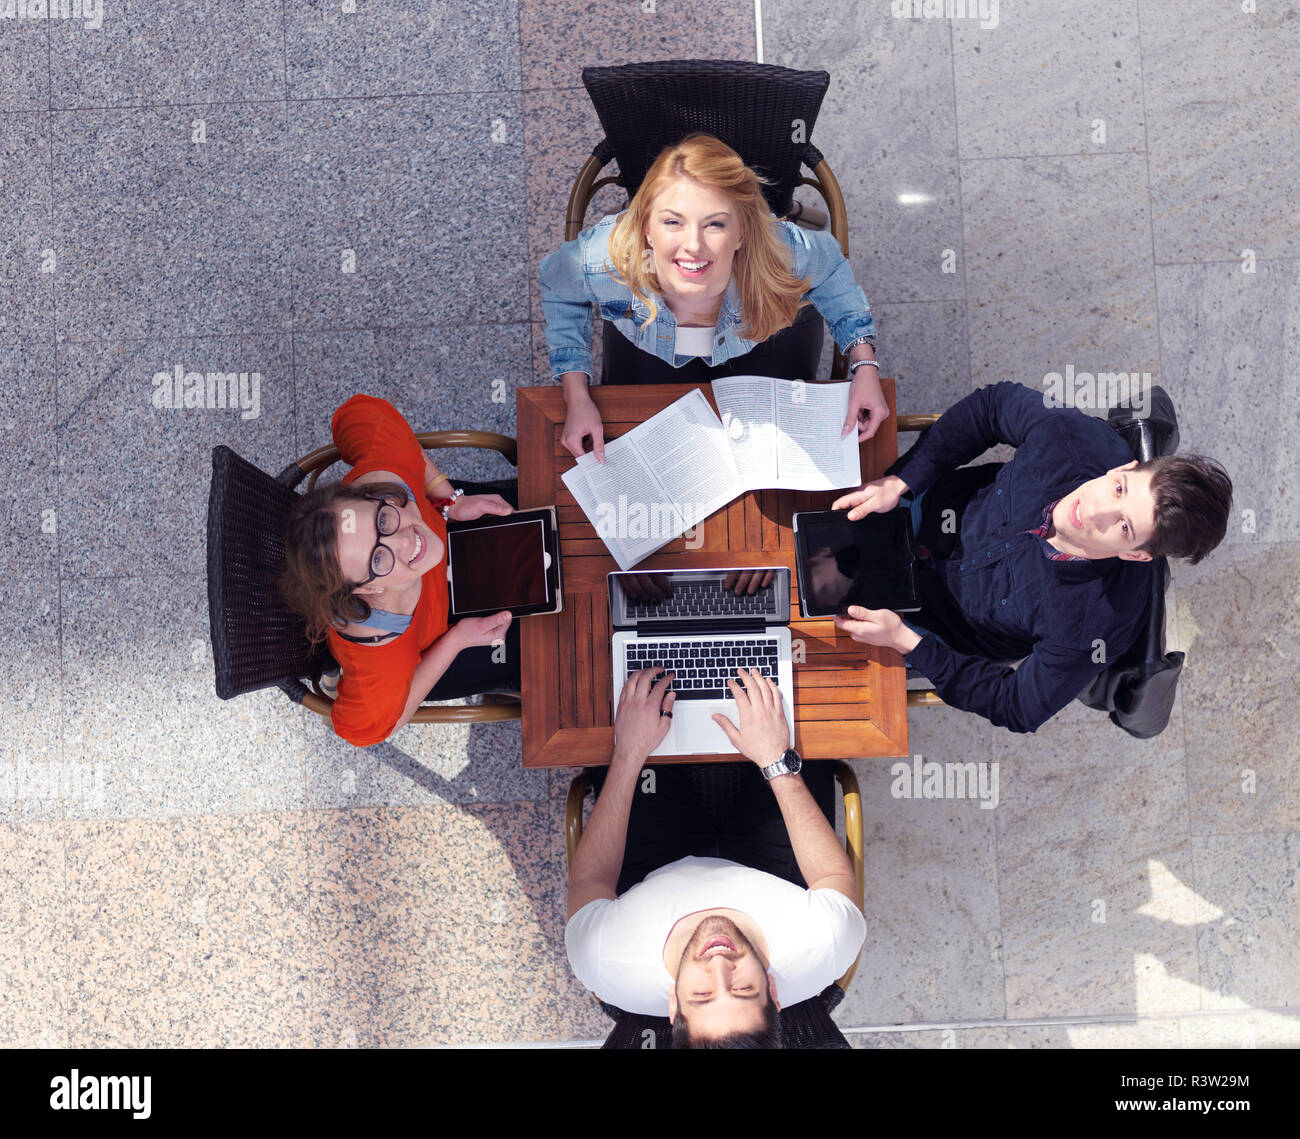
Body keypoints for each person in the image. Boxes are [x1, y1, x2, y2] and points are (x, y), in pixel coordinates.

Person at [829, 381, 1233, 734]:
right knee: (796, 532)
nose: (1093, 511)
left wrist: (907, 642)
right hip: (913, 512)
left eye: (1124, 526)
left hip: (927, 627)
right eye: (1120, 490)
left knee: (807, 647)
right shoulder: (1075, 439)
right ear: (1124, 468)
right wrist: (904, 480)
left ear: (1137, 555)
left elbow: (1017, 707)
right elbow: (993, 405)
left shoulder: (1097, 626)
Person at [565, 667, 865, 1048]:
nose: (719, 964)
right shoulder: (825, 944)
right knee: (794, 705)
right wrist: (775, 761)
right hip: (770, 873)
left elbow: (591, 882)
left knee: (631, 701)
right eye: (743, 988)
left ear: (672, 1006)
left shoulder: (603, 958)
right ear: (774, 992)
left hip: (657, 870)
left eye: (702, 995)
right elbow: (830, 875)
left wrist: (628, 753)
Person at [540, 133, 885, 463]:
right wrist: (576, 394)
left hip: (760, 344)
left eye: (715, 225)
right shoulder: (609, 259)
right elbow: (558, 286)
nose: (693, 245)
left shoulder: (781, 251)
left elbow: (831, 268)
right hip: (651, 352)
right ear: (645, 227)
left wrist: (865, 366)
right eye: (673, 222)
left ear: (742, 233)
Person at [279, 394, 519, 747]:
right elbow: (365, 730)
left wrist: (448, 499)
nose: (408, 541)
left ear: (371, 494)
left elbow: (356, 414)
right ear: (363, 591)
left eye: (384, 519)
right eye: (378, 559)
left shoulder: (385, 474)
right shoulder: (382, 660)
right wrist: (456, 641)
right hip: (440, 632)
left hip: (458, 540)